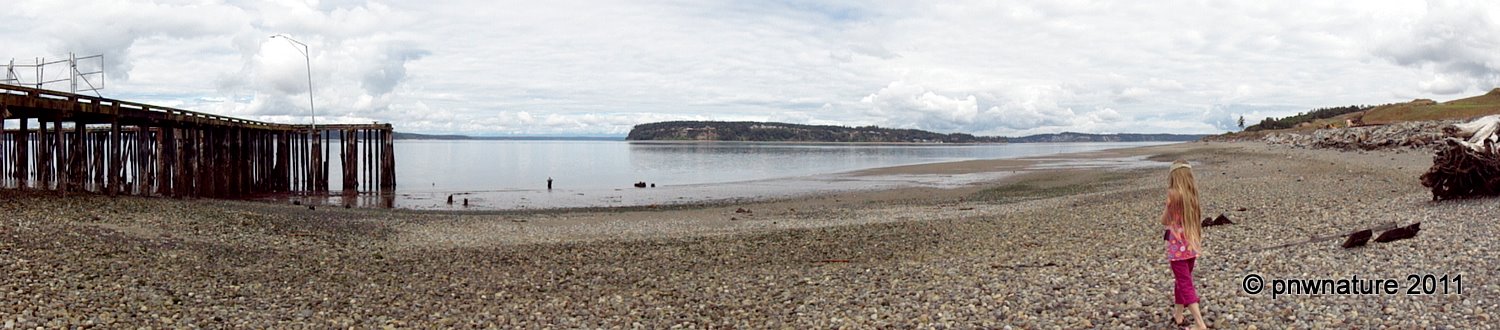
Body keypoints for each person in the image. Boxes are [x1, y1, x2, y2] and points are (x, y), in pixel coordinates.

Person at [1161, 159, 1206, 329]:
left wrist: (1168, 208)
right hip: (1191, 246)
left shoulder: (1173, 194)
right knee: (1182, 281)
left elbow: (1164, 220)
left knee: (1185, 283)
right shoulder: (1192, 195)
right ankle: (1178, 316)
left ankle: (1200, 323)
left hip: (1177, 250)